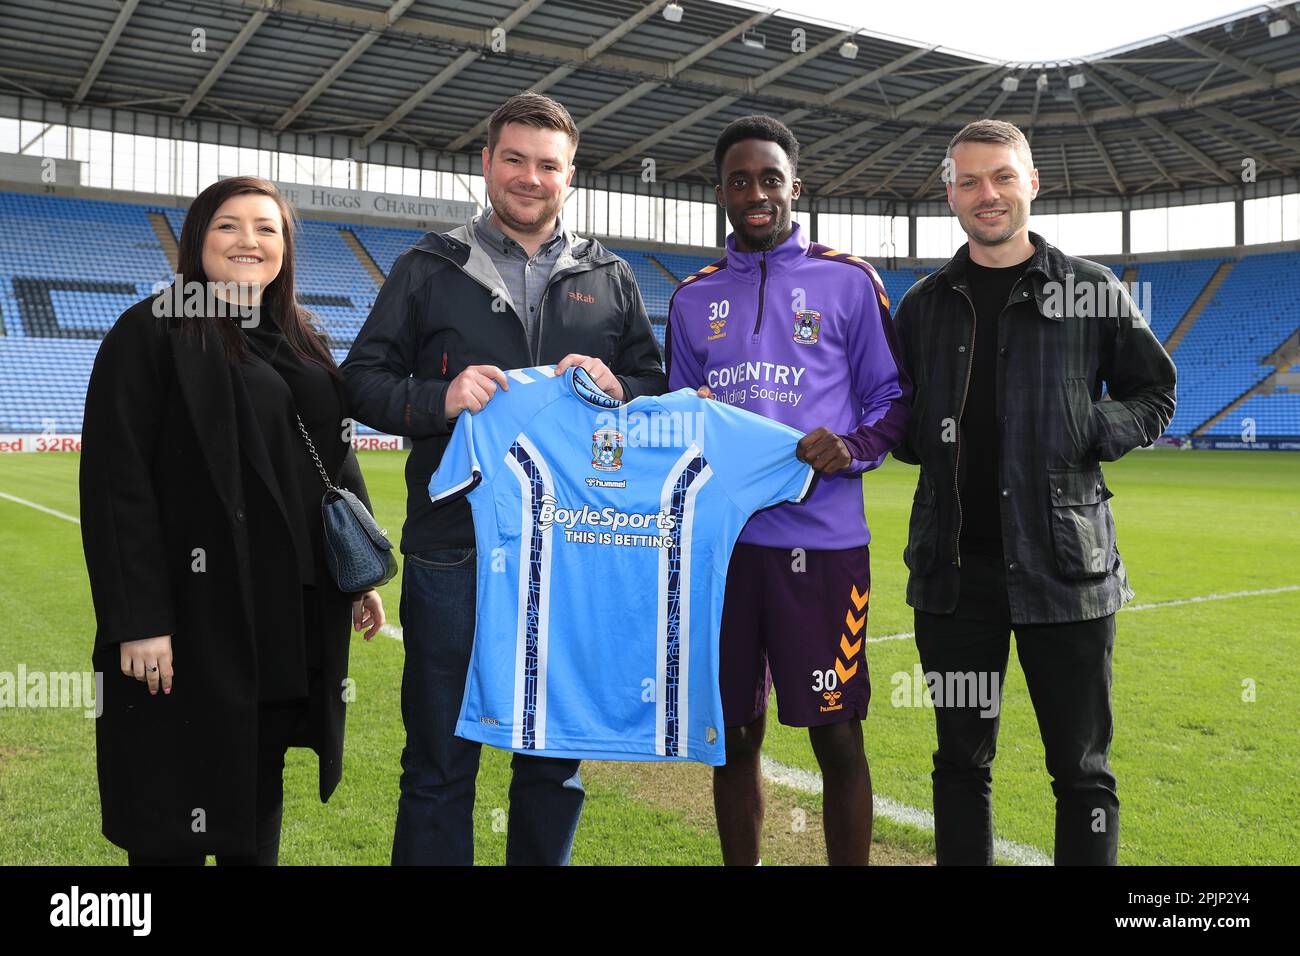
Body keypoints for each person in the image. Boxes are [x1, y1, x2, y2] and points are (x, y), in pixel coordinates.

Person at [342, 91, 667, 866]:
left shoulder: (611, 274)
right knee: (438, 761)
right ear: (485, 164)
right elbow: (359, 381)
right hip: (455, 548)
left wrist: (623, 392)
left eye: (547, 165)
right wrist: (439, 398)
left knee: (553, 762)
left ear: (570, 175)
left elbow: (655, 386)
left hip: (572, 552)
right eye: (514, 159)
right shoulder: (428, 267)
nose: (530, 177)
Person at [890, 119, 1176, 865]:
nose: (989, 194)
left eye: (1003, 177)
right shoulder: (923, 304)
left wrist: (1093, 427)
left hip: (1067, 576)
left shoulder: (1089, 291)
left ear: (1032, 184)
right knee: (959, 762)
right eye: (971, 180)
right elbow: (897, 413)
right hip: (953, 581)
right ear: (949, 192)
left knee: (1081, 772)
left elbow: (1155, 393)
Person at [80, 176, 385, 866]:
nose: (249, 240)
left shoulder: (302, 339)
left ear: (284, 248)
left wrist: (357, 570)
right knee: (170, 806)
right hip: (189, 617)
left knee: (256, 803)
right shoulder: (151, 331)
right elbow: (115, 484)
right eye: (228, 225)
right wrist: (139, 621)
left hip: (282, 614)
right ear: (197, 240)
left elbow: (332, 464)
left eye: (266, 228)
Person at [666, 115, 911, 865]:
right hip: (725, 552)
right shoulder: (690, 298)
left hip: (825, 548)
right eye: (739, 180)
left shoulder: (849, 280)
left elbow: (894, 400)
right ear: (721, 193)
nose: (755, 193)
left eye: (769, 178)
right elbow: (681, 420)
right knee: (734, 736)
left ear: (795, 188)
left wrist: (853, 447)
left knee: (837, 732)